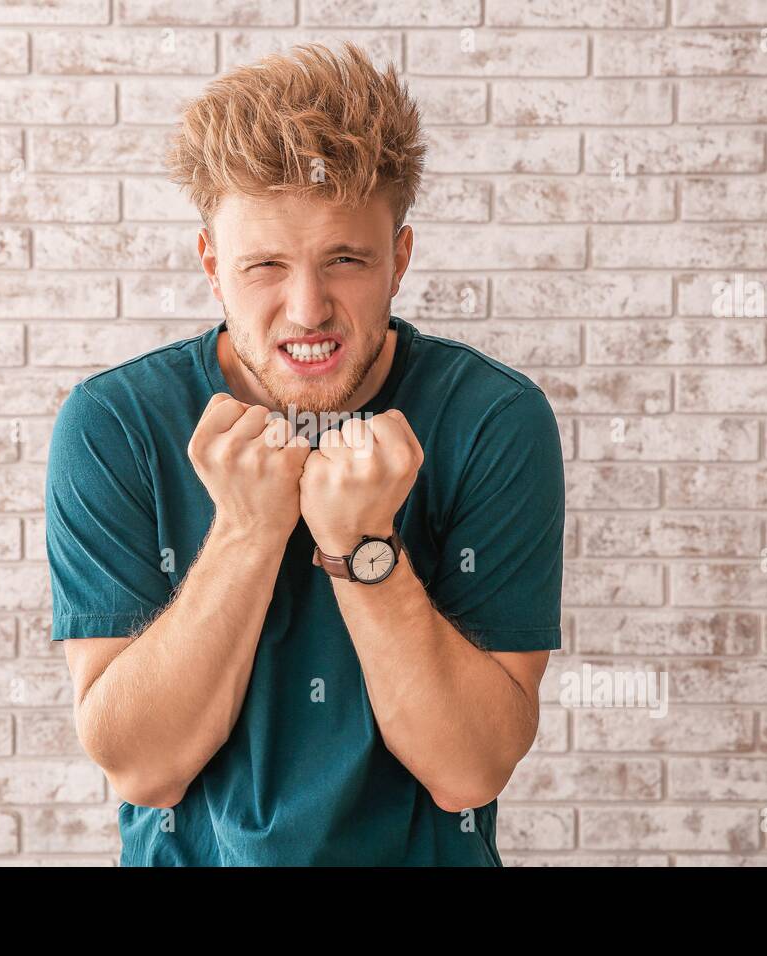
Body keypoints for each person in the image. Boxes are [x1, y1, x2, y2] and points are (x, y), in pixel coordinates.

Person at [44, 40, 564, 866]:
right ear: (213, 265)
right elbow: (144, 768)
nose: (307, 308)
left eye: (346, 260)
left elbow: (469, 772)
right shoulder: (116, 425)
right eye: (265, 266)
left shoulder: (493, 420)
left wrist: (365, 549)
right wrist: (248, 531)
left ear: (399, 258)